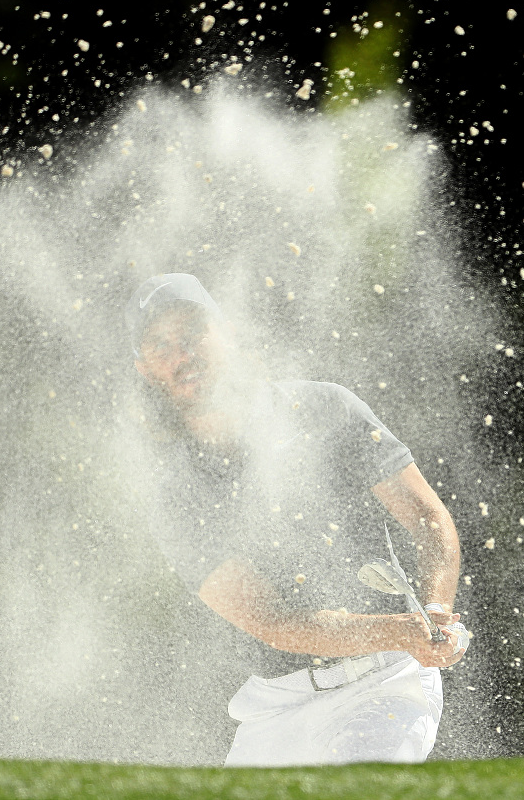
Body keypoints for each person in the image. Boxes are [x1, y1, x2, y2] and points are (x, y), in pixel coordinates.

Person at [124, 272, 467, 766]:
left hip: (386, 680)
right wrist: (401, 627)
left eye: (192, 332)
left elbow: (429, 518)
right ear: (144, 369)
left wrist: (434, 613)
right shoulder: (174, 493)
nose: (181, 353)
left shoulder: (326, 407)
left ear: (228, 332)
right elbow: (274, 621)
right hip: (274, 707)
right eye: (159, 344)